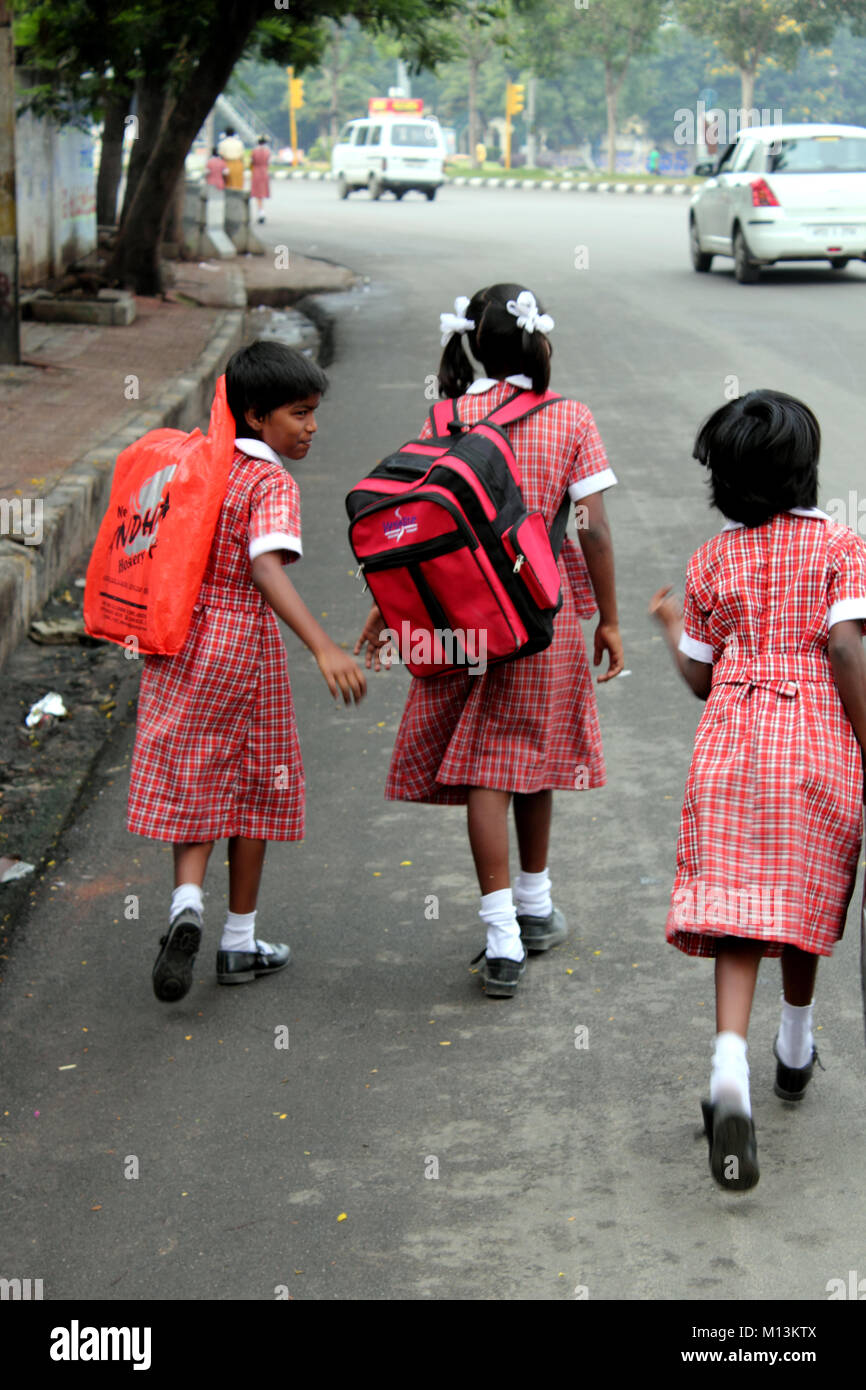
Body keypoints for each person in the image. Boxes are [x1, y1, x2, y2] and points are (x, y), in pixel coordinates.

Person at [355, 283, 623, 998]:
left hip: (459, 611)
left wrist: (392, 608)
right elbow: (591, 528)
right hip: (541, 607)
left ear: (470, 342)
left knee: (498, 764)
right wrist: (612, 619)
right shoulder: (569, 417)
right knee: (516, 759)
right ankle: (510, 930)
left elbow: (419, 518)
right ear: (539, 342)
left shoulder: (446, 414)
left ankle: (526, 912)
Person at [650, 390, 866, 1192]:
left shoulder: (713, 558)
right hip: (816, 745)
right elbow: (846, 648)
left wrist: (674, 628)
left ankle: (730, 1061)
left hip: (731, 747)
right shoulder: (845, 549)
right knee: (806, 891)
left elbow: (704, 680)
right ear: (808, 471)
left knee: (741, 904)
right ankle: (797, 1045)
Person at [128, 342, 367, 1003]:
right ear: (259, 416)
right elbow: (265, 569)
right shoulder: (270, 483)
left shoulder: (202, 464)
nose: (312, 427)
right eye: (300, 414)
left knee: (194, 773)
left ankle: (186, 905)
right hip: (239, 647)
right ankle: (238, 939)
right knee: (255, 780)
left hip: (176, 637)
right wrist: (322, 645)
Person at [250, 136, 271, 223]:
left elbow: (251, 162)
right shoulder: (267, 152)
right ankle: (262, 212)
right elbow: (268, 162)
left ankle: (261, 212)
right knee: (262, 194)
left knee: (258, 195)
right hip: (264, 172)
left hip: (256, 172)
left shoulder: (254, 152)